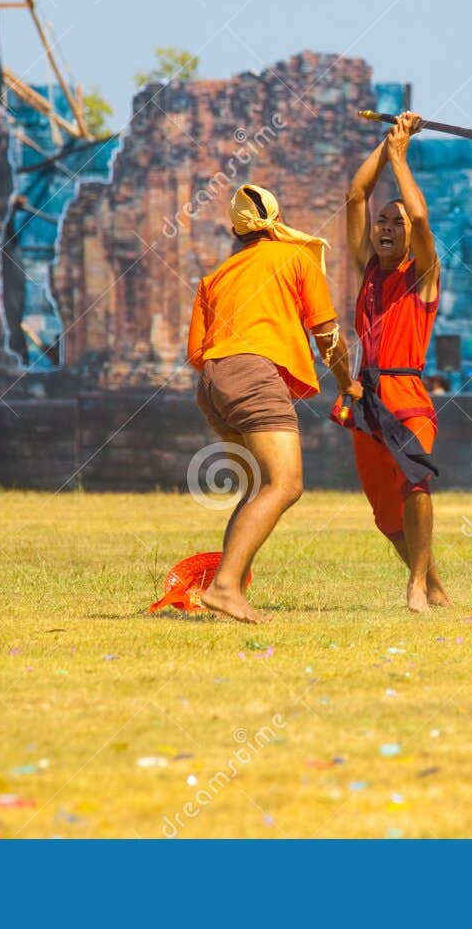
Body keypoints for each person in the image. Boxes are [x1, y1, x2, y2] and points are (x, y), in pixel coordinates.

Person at [186, 183, 360, 623]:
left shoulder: (216, 276)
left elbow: (196, 353)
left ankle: (225, 588)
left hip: (212, 381)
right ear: (277, 220)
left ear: (235, 229)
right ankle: (225, 587)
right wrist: (347, 383)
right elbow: (328, 336)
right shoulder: (295, 258)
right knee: (285, 485)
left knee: (255, 488)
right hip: (252, 375)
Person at [341, 110, 451, 613]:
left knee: (415, 484)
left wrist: (402, 160)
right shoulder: (368, 267)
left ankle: (415, 588)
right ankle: (433, 585)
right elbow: (355, 197)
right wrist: (387, 148)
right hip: (365, 399)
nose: (386, 227)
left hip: (407, 395)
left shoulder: (423, 273)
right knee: (386, 515)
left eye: (395, 222)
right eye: (383, 222)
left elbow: (422, 217)